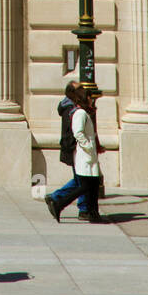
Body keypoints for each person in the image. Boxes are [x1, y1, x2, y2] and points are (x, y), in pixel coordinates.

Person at [45, 82, 88, 222]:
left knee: (80, 179)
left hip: (72, 147)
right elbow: (74, 132)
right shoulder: (72, 108)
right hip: (75, 149)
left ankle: (57, 197)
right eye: (80, 89)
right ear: (72, 92)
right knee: (82, 180)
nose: (83, 91)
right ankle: (83, 208)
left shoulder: (68, 106)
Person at [70, 85, 106, 224]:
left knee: (89, 186)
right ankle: (58, 201)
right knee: (85, 186)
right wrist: (88, 145)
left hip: (89, 155)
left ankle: (92, 212)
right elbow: (78, 133)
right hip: (86, 155)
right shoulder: (81, 113)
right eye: (90, 97)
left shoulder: (85, 113)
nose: (92, 100)